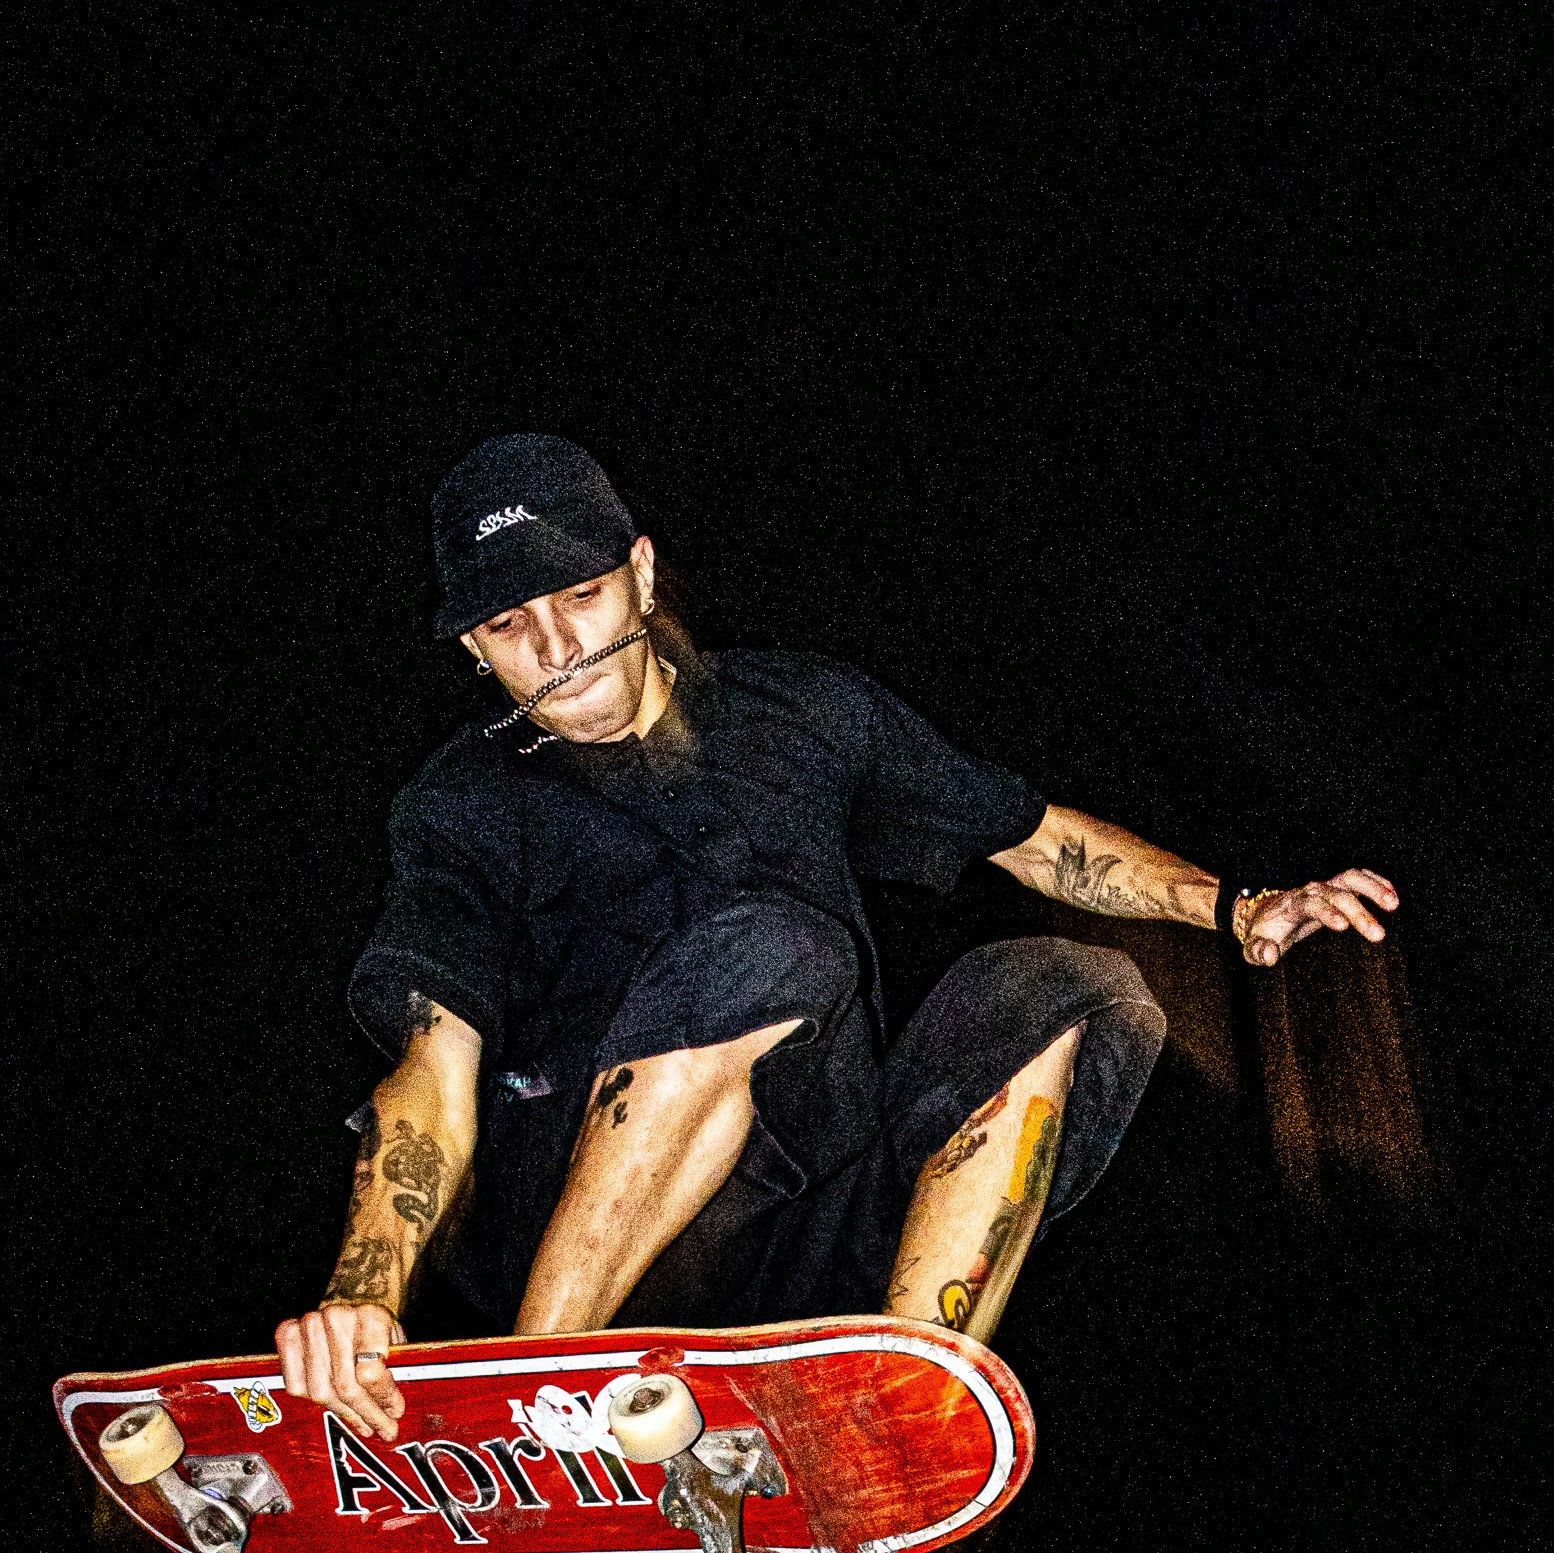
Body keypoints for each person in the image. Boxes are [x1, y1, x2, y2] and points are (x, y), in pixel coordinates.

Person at [277, 433, 1398, 1453]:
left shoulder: (806, 711)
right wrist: (363, 1289)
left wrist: (1236, 908)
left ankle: (894, 1402)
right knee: (778, 951)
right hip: (566, 1222)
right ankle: (539, 1390)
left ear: (644, 573)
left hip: (807, 1232)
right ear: (476, 648)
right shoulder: (461, 805)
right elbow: (431, 1069)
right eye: (509, 628)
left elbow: (1037, 840)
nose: (559, 650)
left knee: (1072, 985)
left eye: (579, 594)